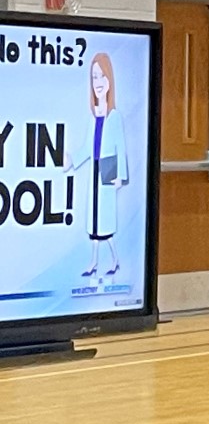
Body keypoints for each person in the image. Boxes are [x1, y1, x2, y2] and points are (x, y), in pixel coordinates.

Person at [69, 52, 126, 278]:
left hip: (108, 168)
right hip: (94, 168)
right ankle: (93, 262)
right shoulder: (93, 116)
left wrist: (120, 175)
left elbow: (120, 147)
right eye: (94, 77)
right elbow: (86, 147)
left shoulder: (114, 116)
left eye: (102, 76)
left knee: (105, 223)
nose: (98, 82)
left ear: (110, 80)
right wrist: (71, 160)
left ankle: (114, 259)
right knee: (94, 221)